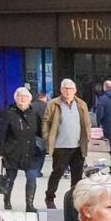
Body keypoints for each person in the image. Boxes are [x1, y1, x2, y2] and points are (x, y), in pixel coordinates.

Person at [41, 79, 91, 209]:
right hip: (60, 147)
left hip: (77, 146)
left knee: (77, 177)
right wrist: (47, 138)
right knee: (57, 173)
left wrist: (87, 137)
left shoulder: (81, 104)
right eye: (65, 88)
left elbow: (86, 123)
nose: (68, 91)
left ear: (75, 90)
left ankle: (74, 201)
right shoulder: (53, 104)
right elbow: (46, 122)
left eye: (70, 88)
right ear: (61, 90)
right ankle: (50, 197)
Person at [0, 87, 42, 213]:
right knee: (10, 178)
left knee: (32, 177)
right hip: (13, 151)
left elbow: (40, 132)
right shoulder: (9, 113)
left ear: (30, 100)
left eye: (25, 97)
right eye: (20, 97)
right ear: (16, 99)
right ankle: (7, 199)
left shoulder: (34, 113)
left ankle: (29, 204)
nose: (22, 99)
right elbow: (1, 134)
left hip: (30, 151)